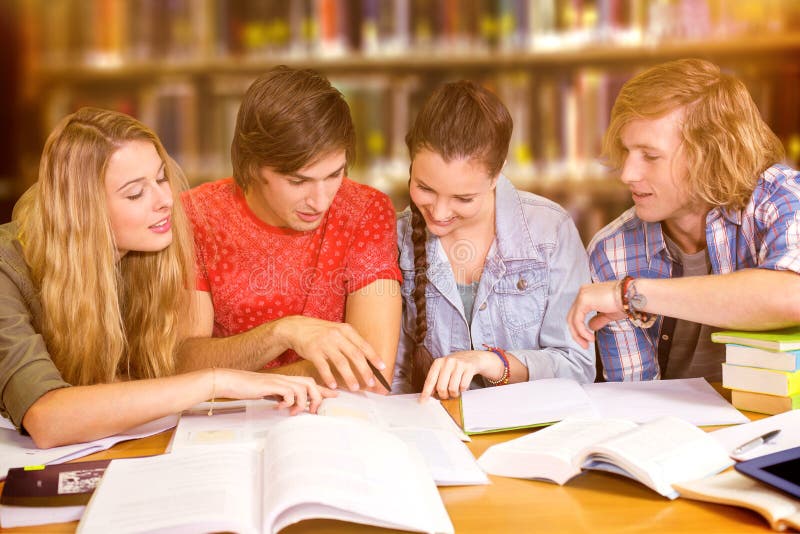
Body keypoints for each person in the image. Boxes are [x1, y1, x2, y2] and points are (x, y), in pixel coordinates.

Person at [0, 107, 332, 449]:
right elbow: (47, 419)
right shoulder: (6, 270)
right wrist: (214, 382)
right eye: (135, 193)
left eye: (161, 179)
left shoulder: (146, 253)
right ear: (82, 210)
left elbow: (143, 378)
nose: (166, 200)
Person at [567, 58, 800, 382]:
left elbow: (792, 296)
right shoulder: (612, 250)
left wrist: (631, 295)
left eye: (650, 156)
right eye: (627, 151)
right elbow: (636, 395)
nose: (627, 174)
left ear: (711, 155)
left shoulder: (781, 199)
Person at [179, 66, 401, 393]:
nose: (321, 201)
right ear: (252, 165)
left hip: (330, 418)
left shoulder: (365, 210)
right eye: (298, 181)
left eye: (334, 175)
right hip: (229, 421)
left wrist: (233, 379)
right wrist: (283, 332)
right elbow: (183, 365)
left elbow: (371, 375)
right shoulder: (196, 215)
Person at [393, 80, 595, 399]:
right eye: (425, 188)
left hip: (531, 421)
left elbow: (577, 366)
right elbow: (393, 378)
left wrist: (492, 363)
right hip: (432, 421)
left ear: (497, 173)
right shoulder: (397, 238)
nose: (439, 212)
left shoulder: (550, 231)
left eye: (463, 198)